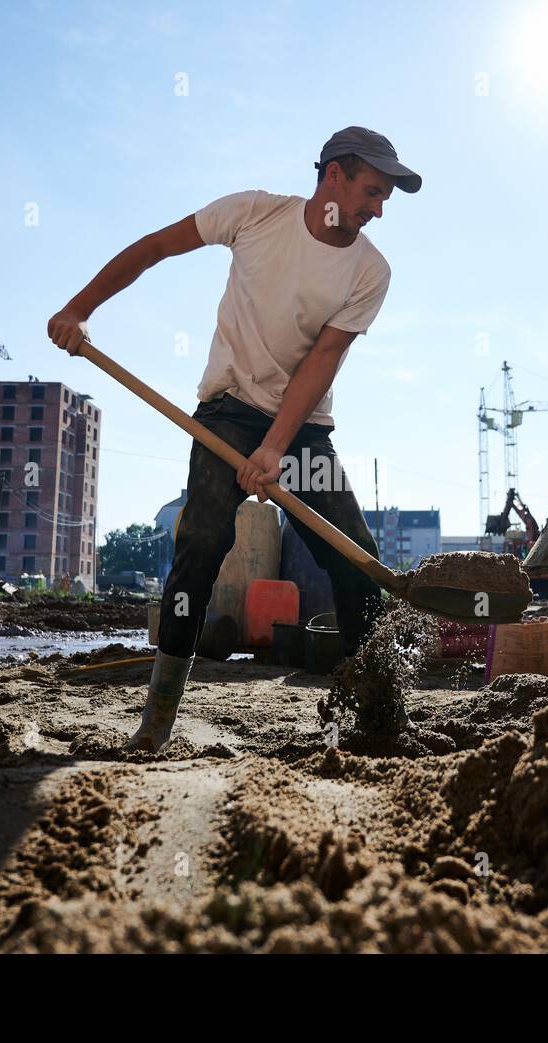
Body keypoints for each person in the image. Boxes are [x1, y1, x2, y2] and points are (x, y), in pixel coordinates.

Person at [48, 126, 422, 753]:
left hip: (303, 429)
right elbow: (154, 248)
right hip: (226, 409)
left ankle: (376, 720)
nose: (378, 209)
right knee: (200, 542)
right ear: (333, 174)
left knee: (355, 559)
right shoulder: (252, 214)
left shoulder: (371, 271)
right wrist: (79, 308)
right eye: (371, 190)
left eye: (385, 198)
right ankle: (158, 720)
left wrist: (276, 446)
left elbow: (322, 361)